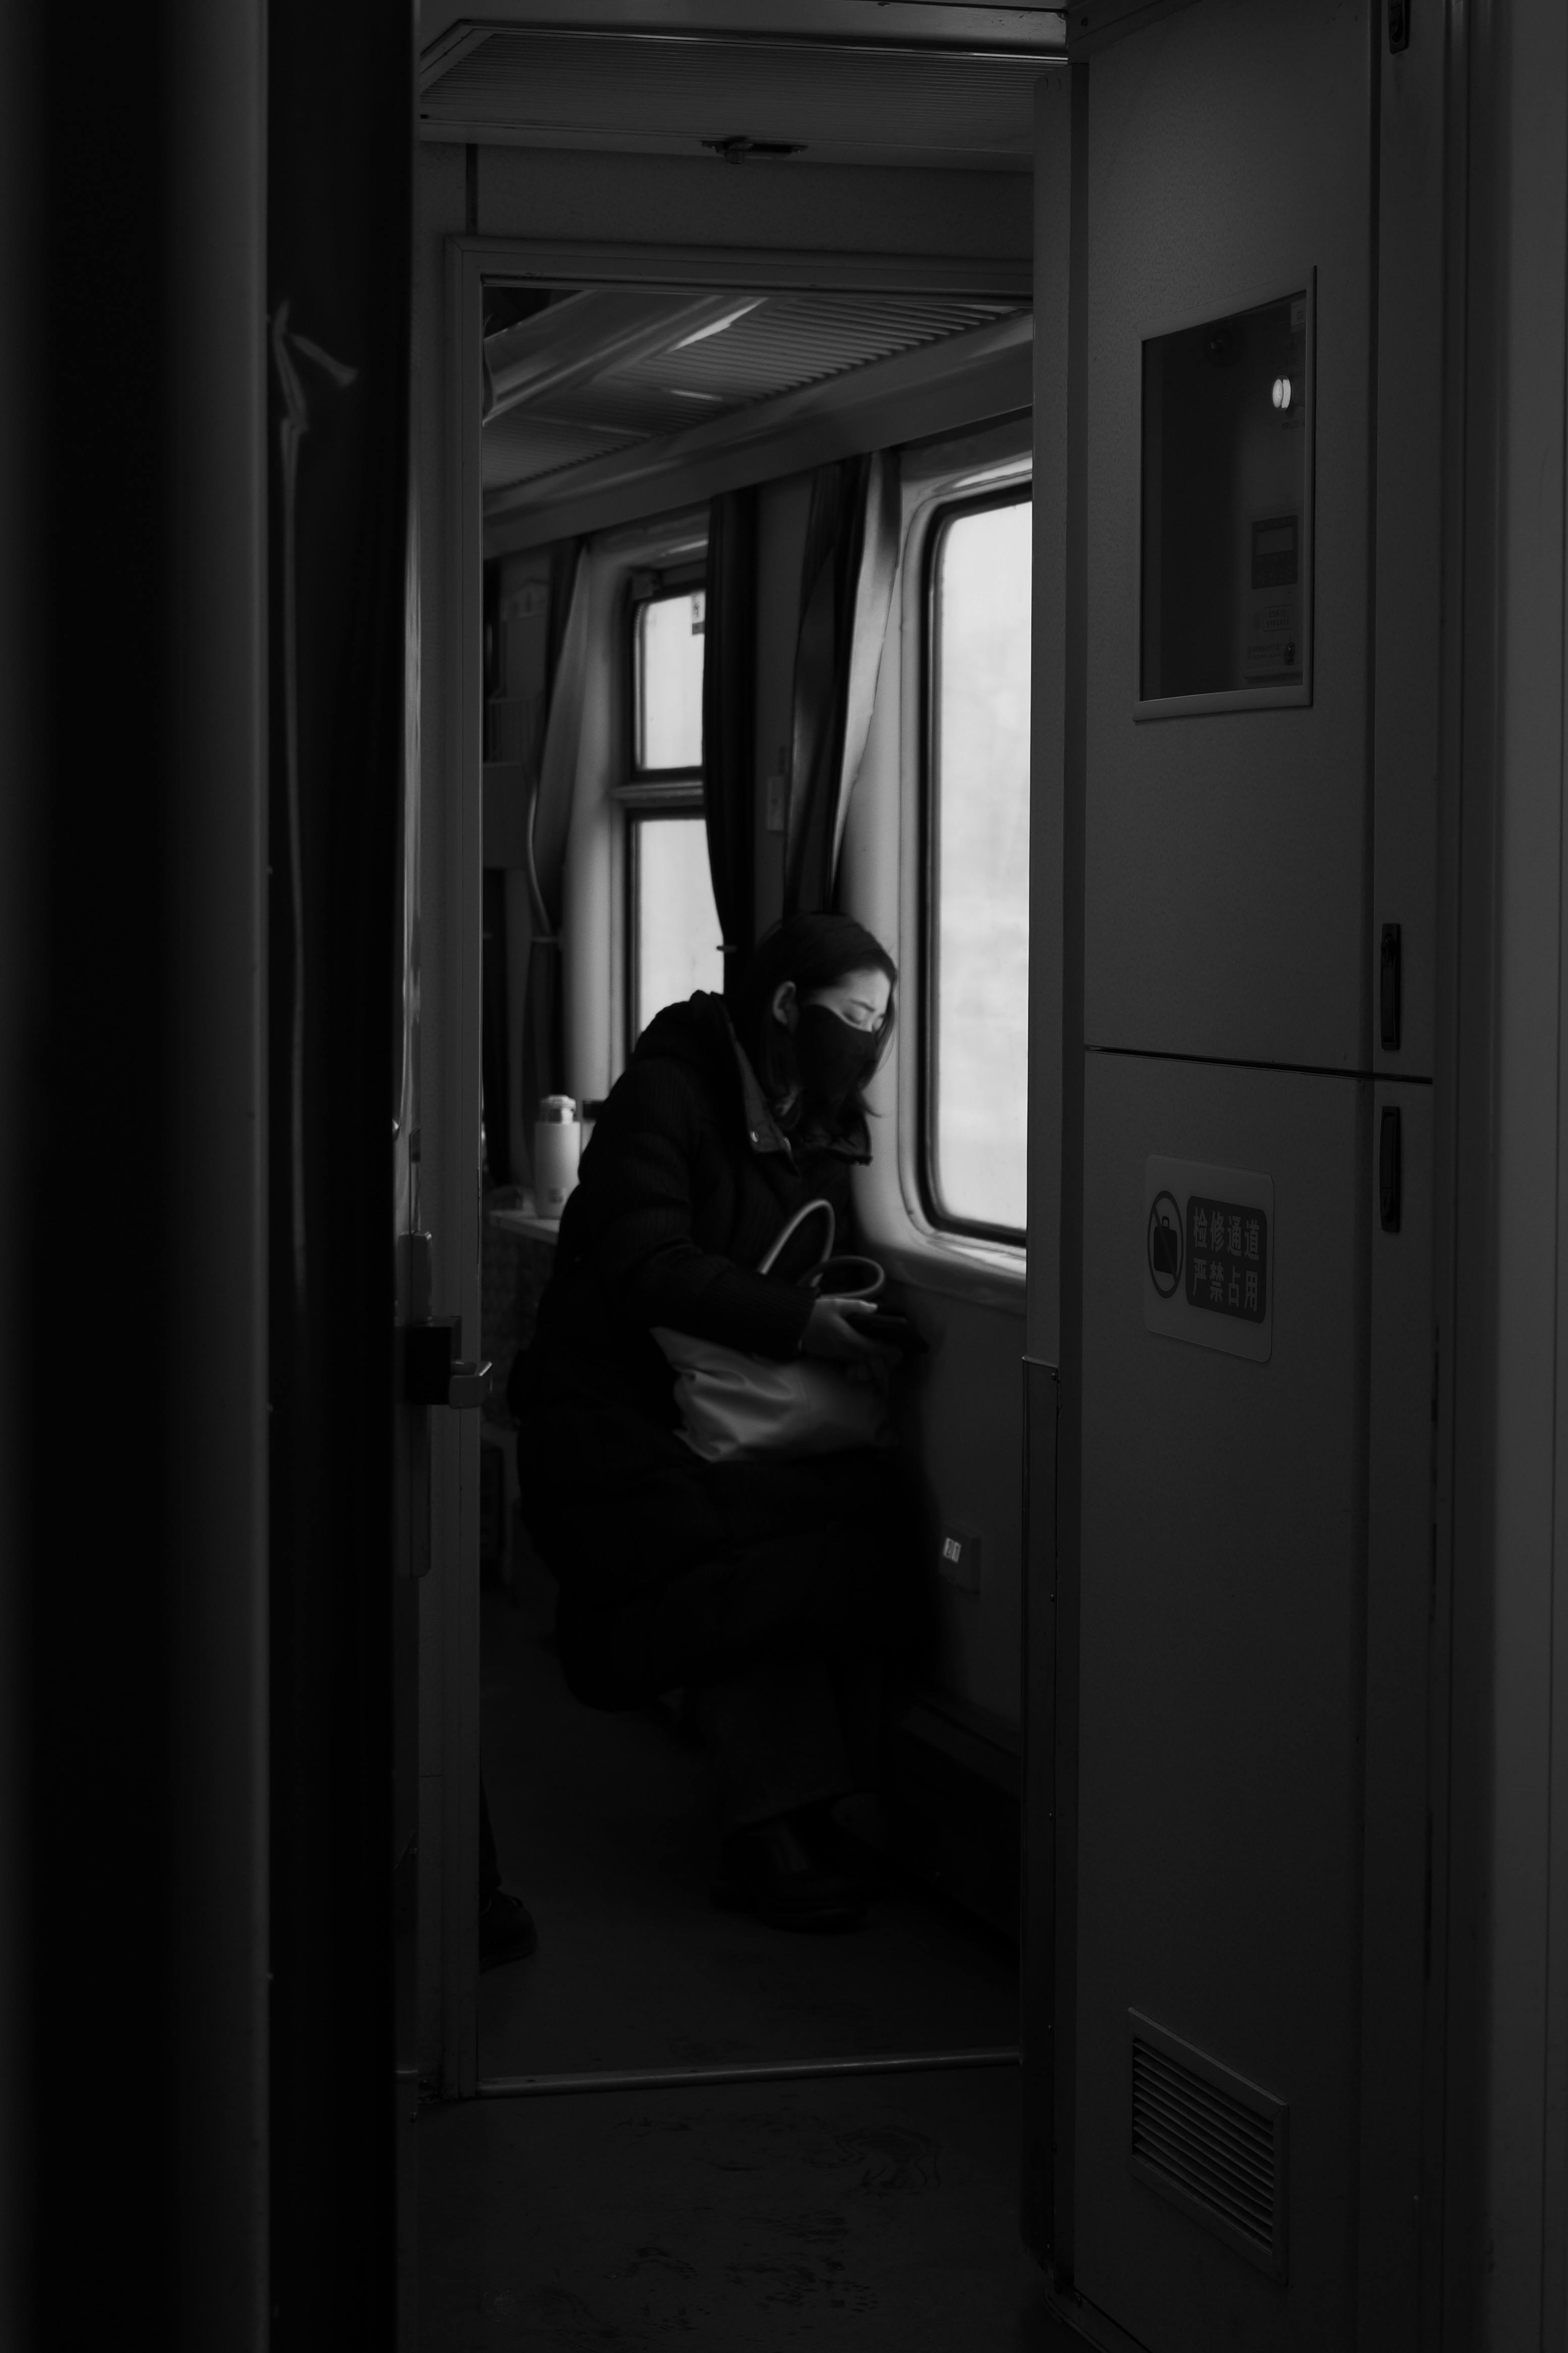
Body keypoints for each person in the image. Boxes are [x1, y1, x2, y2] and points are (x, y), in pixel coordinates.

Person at [508, 912, 926, 1931]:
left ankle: (813, 1806)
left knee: (855, 1514)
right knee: (744, 1550)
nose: (870, 1040)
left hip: (703, 1405)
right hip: (608, 1420)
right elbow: (647, 1262)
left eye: (883, 1022)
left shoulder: (811, 1113)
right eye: (854, 1017)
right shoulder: (669, 1091)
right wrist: (800, 1325)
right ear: (785, 1005)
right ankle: (768, 1827)